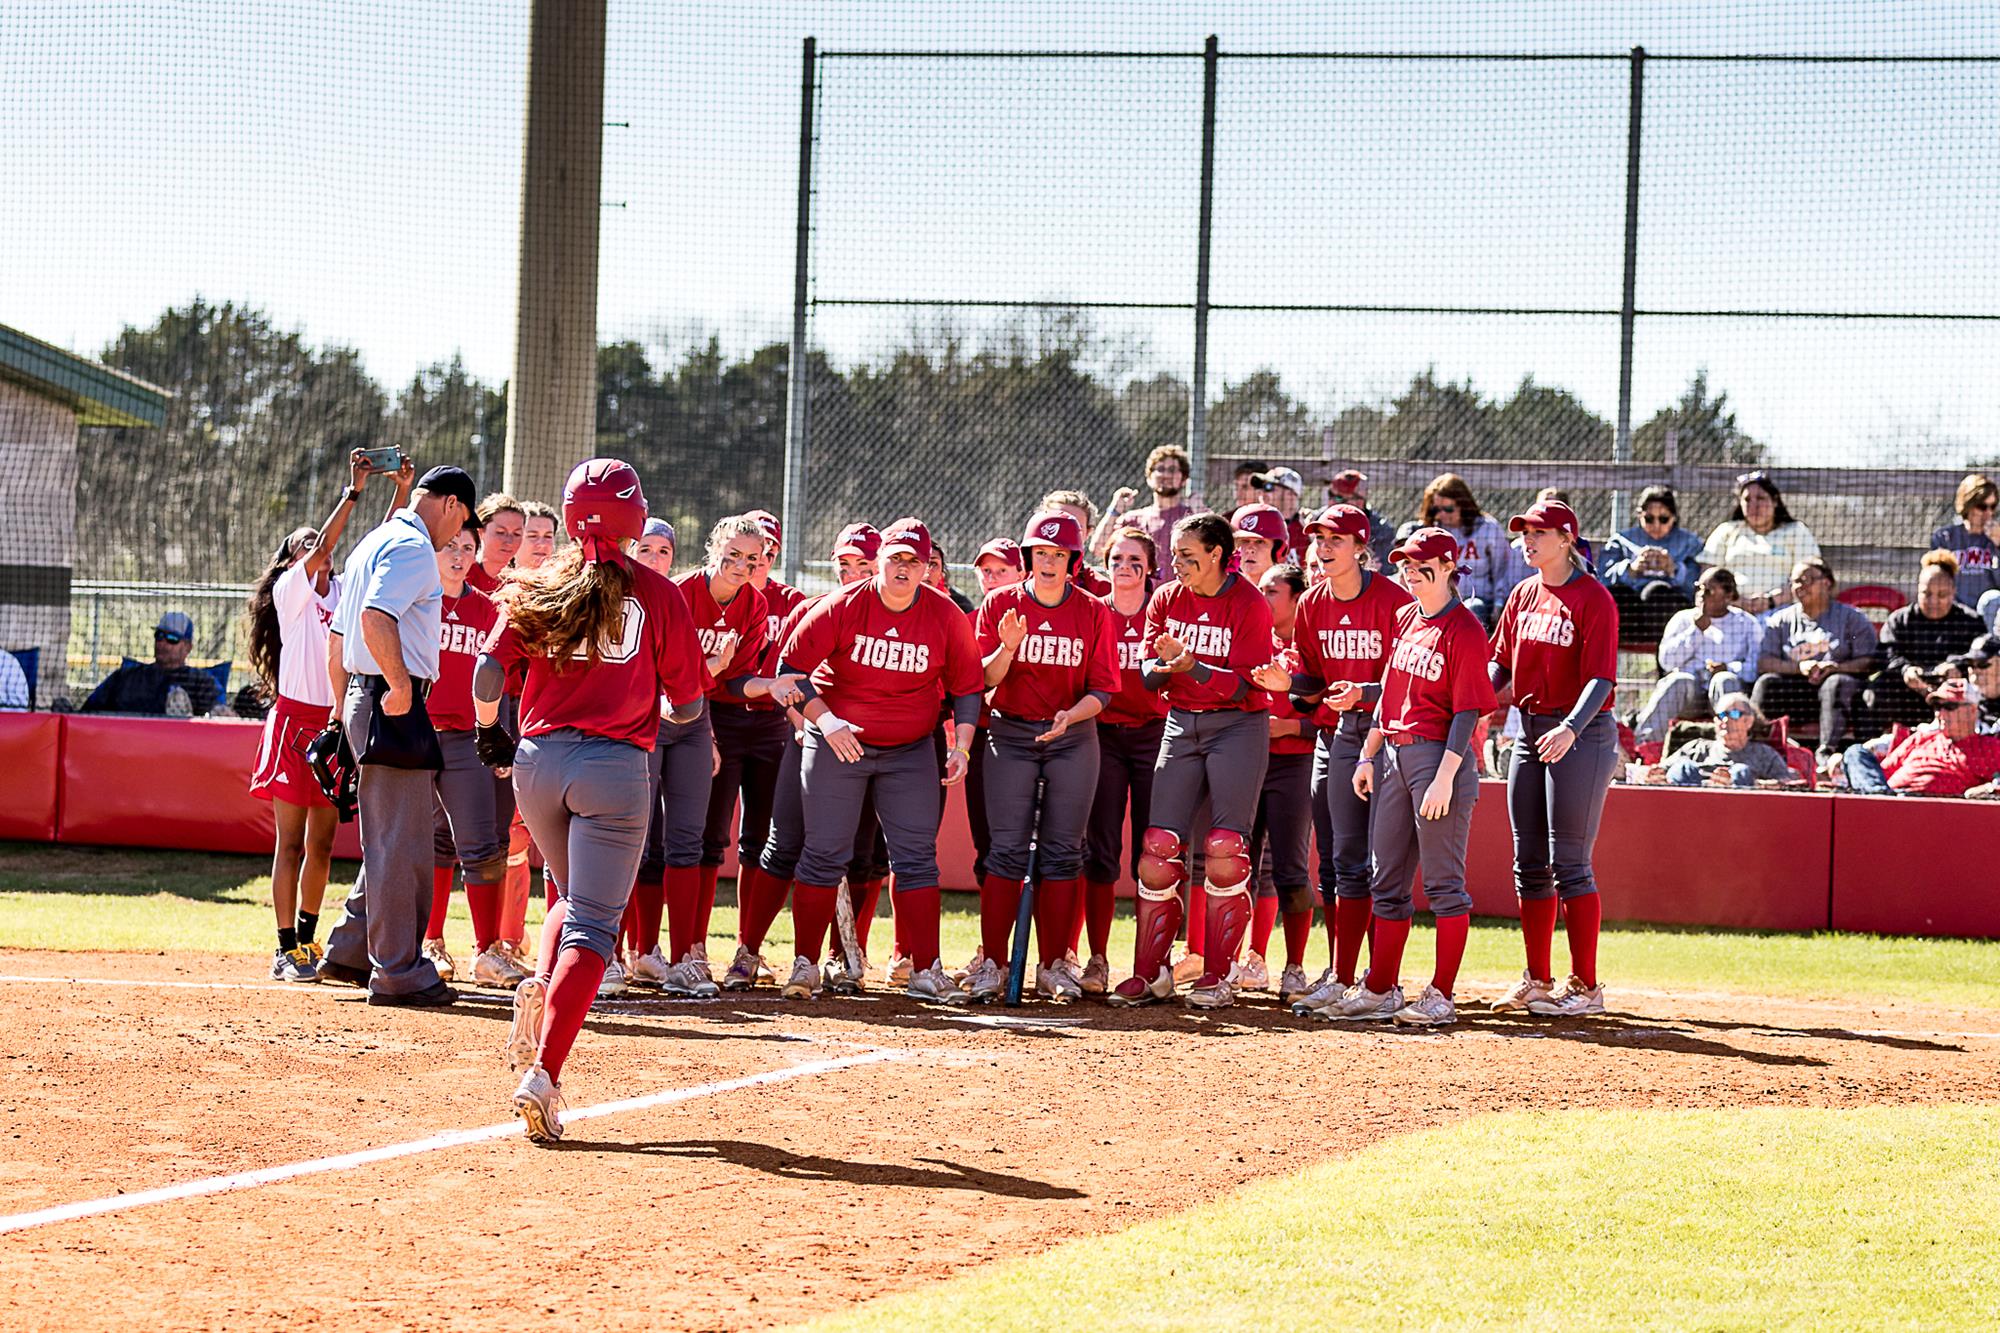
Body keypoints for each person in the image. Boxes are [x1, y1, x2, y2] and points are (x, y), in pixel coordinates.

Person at [473, 457, 708, 1143]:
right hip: (613, 765)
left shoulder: (545, 579)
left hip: (538, 761)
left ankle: (542, 985)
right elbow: (691, 705)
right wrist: (651, 707)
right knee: (597, 928)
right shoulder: (659, 593)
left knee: (568, 893)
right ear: (636, 518)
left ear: (573, 518)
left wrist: (491, 733)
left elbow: (489, 669)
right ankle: (544, 1072)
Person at [774, 517, 985, 1004]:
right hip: (838, 744)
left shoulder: (945, 613)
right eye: (896, 560)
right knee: (824, 853)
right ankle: (805, 962)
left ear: (929, 568)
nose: (904, 570)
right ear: (880, 562)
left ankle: (925, 967)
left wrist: (962, 746)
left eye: (915, 562)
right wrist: (827, 724)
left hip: (909, 749)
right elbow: (791, 674)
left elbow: (967, 687)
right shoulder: (840, 606)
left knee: (915, 858)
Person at [244, 449, 408, 982]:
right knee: (288, 843)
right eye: (305, 545)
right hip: (294, 722)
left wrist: (401, 492)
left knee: (320, 843)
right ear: (292, 559)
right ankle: (284, 946)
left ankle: (311, 943)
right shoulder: (290, 590)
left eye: (319, 543)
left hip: (333, 722)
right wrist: (353, 489)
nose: (318, 549)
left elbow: (378, 549)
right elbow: (328, 545)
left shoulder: (342, 591)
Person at [317, 465, 476, 1006]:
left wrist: (343, 713)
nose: (456, 536)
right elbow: (373, 618)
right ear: (452, 504)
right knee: (403, 843)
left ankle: (350, 950)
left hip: (368, 697)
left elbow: (338, 636)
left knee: (390, 833)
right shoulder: (410, 547)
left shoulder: (376, 539)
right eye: (461, 523)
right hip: (391, 699)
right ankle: (398, 971)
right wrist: (401, 688)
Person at [1109, 512, 1275, 1011]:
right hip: (1182, 721)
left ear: (1218, 556)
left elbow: (1246, 684)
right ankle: (1151, 973)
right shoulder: (1166, 597)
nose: (1177, 564)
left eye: (1188, 556)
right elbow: (1144, 673)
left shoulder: (1248, 603)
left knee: (1225, 847)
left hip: (1237, 725)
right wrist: (1165, 667)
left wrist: (1191, 666)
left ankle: (1218, 974)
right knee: (1158, 848)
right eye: (1176, 555)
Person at [1333, 527, 1497, 1026]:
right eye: (1405, 562)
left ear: (1449, 566)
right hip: (1394, 757)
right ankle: (1381, 988)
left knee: (1445, 885)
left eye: (1421, 563)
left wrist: (1447, 776)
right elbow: (1390, 691)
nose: (1410, 570)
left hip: (1437, 759)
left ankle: (1441, 994)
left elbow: (1469, 712)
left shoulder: (1465, 628)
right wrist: (1367, 753)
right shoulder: (1406, 616)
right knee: (1386, 880)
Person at [648, 517, 800, 995]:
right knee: (640, 836)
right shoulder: (678, 593)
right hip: (657, 717)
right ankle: (630, 953)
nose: (741, 565)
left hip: (704, 719)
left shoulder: (755, 604)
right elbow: (655, 668)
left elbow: (735, 681)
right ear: (713, 549)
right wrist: (707, 669)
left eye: (751, 559)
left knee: (691, 842)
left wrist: (771, 686)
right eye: (733, 554)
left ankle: (688, 954)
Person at [972, 510, 1118, 1002]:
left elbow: (1103, 690)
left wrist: (1071, 716)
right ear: (1028, 557)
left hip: (1072, 737)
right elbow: (984, 681)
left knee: (1062, 853)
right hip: (1011, 736)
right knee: (1006, 851)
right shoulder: (999, 604)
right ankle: (992, 963)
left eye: (1058, 554)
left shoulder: (1094, 611)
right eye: (1040, 553)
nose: (1049, 562)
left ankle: (1054, 965)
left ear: (1073, 560)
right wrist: (1007, 649)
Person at [1271, 503, 1410, 1018]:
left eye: (1335, 540)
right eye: (1318, 540)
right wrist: (1289, 686)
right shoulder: (1310, 603)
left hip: (1381, 735)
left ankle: (1376, 979)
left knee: (1374, 862)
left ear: (1360, 547)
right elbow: (1312, 684)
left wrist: (1365, 693)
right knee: (1333, 861)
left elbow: (1408, 678)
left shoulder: (1394, 600)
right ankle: (1341, 973)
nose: (1323, 549)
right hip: (1332, 736)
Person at [733, 521, 881, 992]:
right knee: (782, 844)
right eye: (845, 565)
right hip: (814, 741)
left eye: (864, 565)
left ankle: (841, 957)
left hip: (870, 750)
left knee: (859, 854)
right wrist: (805, 727)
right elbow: (789, 677)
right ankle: (748, 953)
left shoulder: (901, 612)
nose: (853, 574)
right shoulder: (815, 609)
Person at [1487, 499, 1619, 1019]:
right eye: (1525, 532)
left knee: (1570, 864)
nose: (1528, 540)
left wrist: (1571, 727)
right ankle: (1537, 979)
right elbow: (1500, 664)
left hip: (1580, 735)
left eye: (1540, 533)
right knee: (1529, 865)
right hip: (1530, 729)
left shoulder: (1593, 598)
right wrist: (1475, 703)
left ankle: (1586, 985)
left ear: (1566, 539)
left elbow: (1601, 678)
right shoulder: (1522, 594)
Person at [421, 519, 522, 989]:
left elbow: (496, 678)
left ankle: (487, 951)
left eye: (467, 547)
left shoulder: (487, 609)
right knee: (427, 843)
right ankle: (429, 943)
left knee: (482, 846)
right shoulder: (415, 602)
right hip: (418, 733)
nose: (459, 556)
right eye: (449, 547)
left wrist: (495, 735)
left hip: (466, 737)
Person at [1076, 526, 1168, 995]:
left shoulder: (1163, 613)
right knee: (1100, 851)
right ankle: (1096, 959)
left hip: (1154, 735)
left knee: (1155, 853)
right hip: (1104, 735)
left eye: (1136, 560)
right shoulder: (1096, 613)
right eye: (1117, 559)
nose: (1126, 568)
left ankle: (1154, 963)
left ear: (1151, 567)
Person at [1236, 564, 1317, 1003]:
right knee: (1234, 866)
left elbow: (1330, 715)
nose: (1262, 596)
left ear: (1296, 598)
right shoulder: (1251, 638)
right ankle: (1230, 963)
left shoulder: (1312, 646)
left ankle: (1295, 967)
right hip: (1249, 763)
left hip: (1295, 766)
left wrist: (1291, 729)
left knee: (1290, 870)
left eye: (1272, 590)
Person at [495, 498, 561, 967]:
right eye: (529, 536)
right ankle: (503, 941)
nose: (537, 544)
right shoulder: (497, 589)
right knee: (508, 835)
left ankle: (550, 945)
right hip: (502, 709)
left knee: (553, 833)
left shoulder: (564, 591)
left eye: (545, 536)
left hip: (547, 713)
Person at [1752, 558, 1877, 761]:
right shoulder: (1780, 620)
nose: (1800, 586)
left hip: (1840, 698)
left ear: (1827, 582)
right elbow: (1764, 662)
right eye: (1795, 581)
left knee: (1836, 683)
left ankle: (1825, 755)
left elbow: (1870, 661)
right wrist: (1799, 667)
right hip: (1798, 696)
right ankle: (1754, 746)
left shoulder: (1852, 618)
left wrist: (1837, 668)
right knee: (1767, 683)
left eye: (1807, 579)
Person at [1631, 567, 1764, 743]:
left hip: (1723, 695)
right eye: (1698, 587)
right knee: (1678, 680)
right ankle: (1646, 744)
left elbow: (1756, 667)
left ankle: (1733, 744)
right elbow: (1667, 662)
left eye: (1709, 590)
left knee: (1724, 679)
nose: (1701, 594)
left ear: (1728, 595)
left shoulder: (1747, 623)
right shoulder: (1682, 619)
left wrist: (1728, 668)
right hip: (1689, 696)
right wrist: (1695, 631)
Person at [1867, 550, 1985, 730]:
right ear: (1917, 590)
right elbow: (1885, 653)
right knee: (1875, 691)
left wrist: (1957, 666)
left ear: (1953, 591)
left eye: (1942, 595)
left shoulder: (1970, 621)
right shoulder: (1900, 620)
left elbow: (1980, 655)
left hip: (1952, 693)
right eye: (1926, 593)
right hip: (1908, 692)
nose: (1933, 601)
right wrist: (1906, 670)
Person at [1397, 473, 1521, 629]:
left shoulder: (1487, 528)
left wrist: (1498, 604)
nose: (1442, 514)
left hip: (1477, 598)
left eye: (1448, 508)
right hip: (1439, 599)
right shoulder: (1433, 530)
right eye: (1437, 508)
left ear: (1463, 504)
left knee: (1471, 610)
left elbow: (1502, 569)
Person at [1840, 680, 2000, 798]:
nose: (1940, 714)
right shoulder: (1921, 738)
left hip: (1931, 808)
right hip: (1893, 796)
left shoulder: (1989, 747)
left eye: (1949, 707)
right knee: (1854, 753)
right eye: (1937, 707)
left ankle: (1878, 802)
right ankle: (1878, 800)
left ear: (1972, 711)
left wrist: (1989, 788)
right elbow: (1882, 771)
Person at [1700, 471, 1820, 615]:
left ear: (1775, 501)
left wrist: (1770, 601)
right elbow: (1707, 575)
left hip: (1783, 611)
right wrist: (1736, 601)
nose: (1754, 505)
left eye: (1761, 498)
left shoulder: (1796, 531)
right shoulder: (1726, 530)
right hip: (1730, 611)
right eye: (1747, 500)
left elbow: (1811, 576)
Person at [1601, 484, 1702, 641]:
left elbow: (1698, 585)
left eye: (1663, 519)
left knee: (1659, 594)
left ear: (1674, 518)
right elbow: (1602, 578)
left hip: (1667, 616)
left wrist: (1674, 569)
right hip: (1630, 617)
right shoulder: (1622, 540)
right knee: (1619, 595)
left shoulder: (1690, 542)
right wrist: (1630, 569)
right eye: (1649, 519)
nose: (1656, 526)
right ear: (1639, 515)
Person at [79, 611, 223, 716]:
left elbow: (219, 715)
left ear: (188, 647)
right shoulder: (125, 678)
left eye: (172, 638)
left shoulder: (202, 683)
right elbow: (86, 712)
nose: (162, 643)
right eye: (159, 636)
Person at [1646, 694, 1794, 787]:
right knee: (1683, 768)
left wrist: (1757, 784)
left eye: (1733, 714)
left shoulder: (1764, 754)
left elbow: (1788, 783)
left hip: (1738, 811)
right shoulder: (1697, 747)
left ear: (1749, 721)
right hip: (1689, 805)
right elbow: (1660, 770)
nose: (1725, 720)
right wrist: (1654, 775)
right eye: (1721, 715)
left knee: (1740, 772)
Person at [1091, 443, 1198, 563]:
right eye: (1160, 469)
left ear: (1184, 479)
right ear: (1149, 478)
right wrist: (1115, 510)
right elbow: (1098, 549)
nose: (1166, 475)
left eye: (1172, 470)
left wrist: (1202, 511)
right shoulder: (1132, 520)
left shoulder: (1193, 518)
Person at [1928, 473, 2000, 635]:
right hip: (1955, 613)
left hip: (1990, 615)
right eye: (1982, 507)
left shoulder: (1996, 537)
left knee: (1993, 599)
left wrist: (1999, 545)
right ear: (1968, 505)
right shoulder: (1945, 538)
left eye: (1993, 506)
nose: (1988, 513)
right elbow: (1937, 580)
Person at [1038, 488, 1113, 596]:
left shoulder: (1100, 588)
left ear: (1088, 532)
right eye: (1056, 524)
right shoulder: (1016, 576)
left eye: (1075, 526)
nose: (1063, 533)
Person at [1327, 469, 1393, 570]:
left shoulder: (1381, 530)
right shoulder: (1316, 521)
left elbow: (1387, 568)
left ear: (1360, 501)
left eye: (1340, 498)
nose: (1332, 502)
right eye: (1331, 495)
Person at [466, 493, 524, 594]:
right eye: (500, 532)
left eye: (517, 533)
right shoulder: (462, 575)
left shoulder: (520, 586)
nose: (509, 541)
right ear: (480, 531)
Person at [1251, 466, 1309, 554]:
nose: (1262, 493)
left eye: (1269, 487)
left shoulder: (1309, 530)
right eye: (1261, 487)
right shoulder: (1253, 527)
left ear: (1290, 494)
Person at [1231, 503, 1289, 586]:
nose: (1250, 549)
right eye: (1244, 541)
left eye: (1259, 542)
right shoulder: (1221, 590)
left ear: (1278, 549)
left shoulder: (1290, 594)